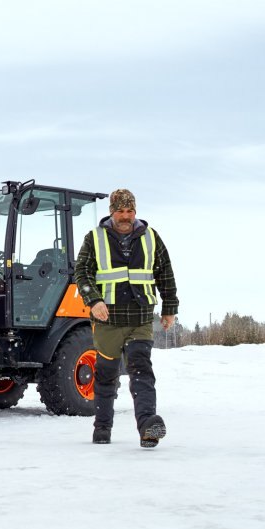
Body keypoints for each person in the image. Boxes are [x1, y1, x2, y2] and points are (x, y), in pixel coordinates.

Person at [73, 188, 179, 448]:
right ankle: (102, 427)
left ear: (135, 212)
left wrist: (169, 307)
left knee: (141, 369)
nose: (125, 216)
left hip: (140, 318)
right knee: (107, 375)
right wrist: (93, 301)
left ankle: (147, 426)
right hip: (108, 320)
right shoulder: (95, 238)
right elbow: (82, 272)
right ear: (111, 212)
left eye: (130, 211)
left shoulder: (151, 237)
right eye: (120, 211)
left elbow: (165, 272)